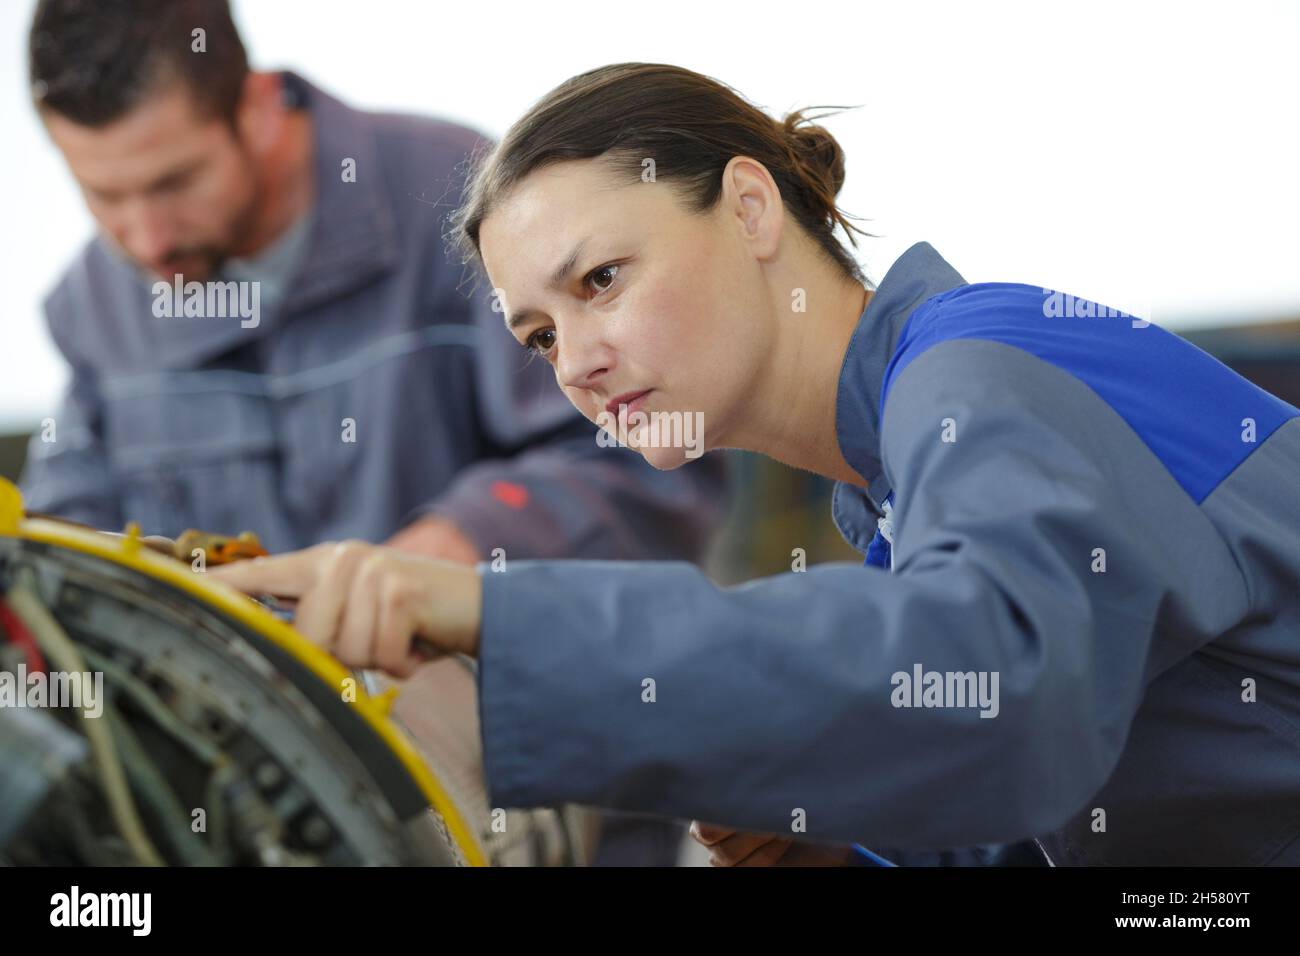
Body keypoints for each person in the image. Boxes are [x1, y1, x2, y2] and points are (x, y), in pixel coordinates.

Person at [213, 62, 1300, 866]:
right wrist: (847, 844)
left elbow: (1003, 686)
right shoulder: (896, 496)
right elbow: (1062, 796)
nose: (578, 363)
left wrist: (497, 616)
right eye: (539, 336)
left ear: (748, 207)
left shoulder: (981, 370)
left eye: (600, 279)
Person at [22, 4, 729, 865]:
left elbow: (648, 462)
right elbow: (64, 560)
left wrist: (445, 557)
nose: (146, 236)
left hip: (547, 821)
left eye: (173, 182)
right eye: (104, 194)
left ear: (254, 106)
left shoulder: (467, 208)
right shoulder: (95, 309)